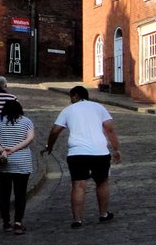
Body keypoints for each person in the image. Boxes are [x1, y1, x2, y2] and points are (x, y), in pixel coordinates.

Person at [43, 85, 121, 228]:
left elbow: (55, 131)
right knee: (102, 182)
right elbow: (109, 129)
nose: (71, 100)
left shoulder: (68, 110)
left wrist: (50, 146)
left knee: (78, 185)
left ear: (76, 96)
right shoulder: (99, 108)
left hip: (77, 153)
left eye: (71, 97)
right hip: (99, 151)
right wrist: (116, 149)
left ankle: (77, 220)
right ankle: (103, 214)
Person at [0, 99, 35, 235]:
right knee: (20, 194)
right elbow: (30, 139)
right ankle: (18, 223)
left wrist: (3, 151)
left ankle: (6, 222)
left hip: (4, 163)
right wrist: (14, 149)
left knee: (4, 194)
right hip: (22, 162)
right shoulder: (27, 122)